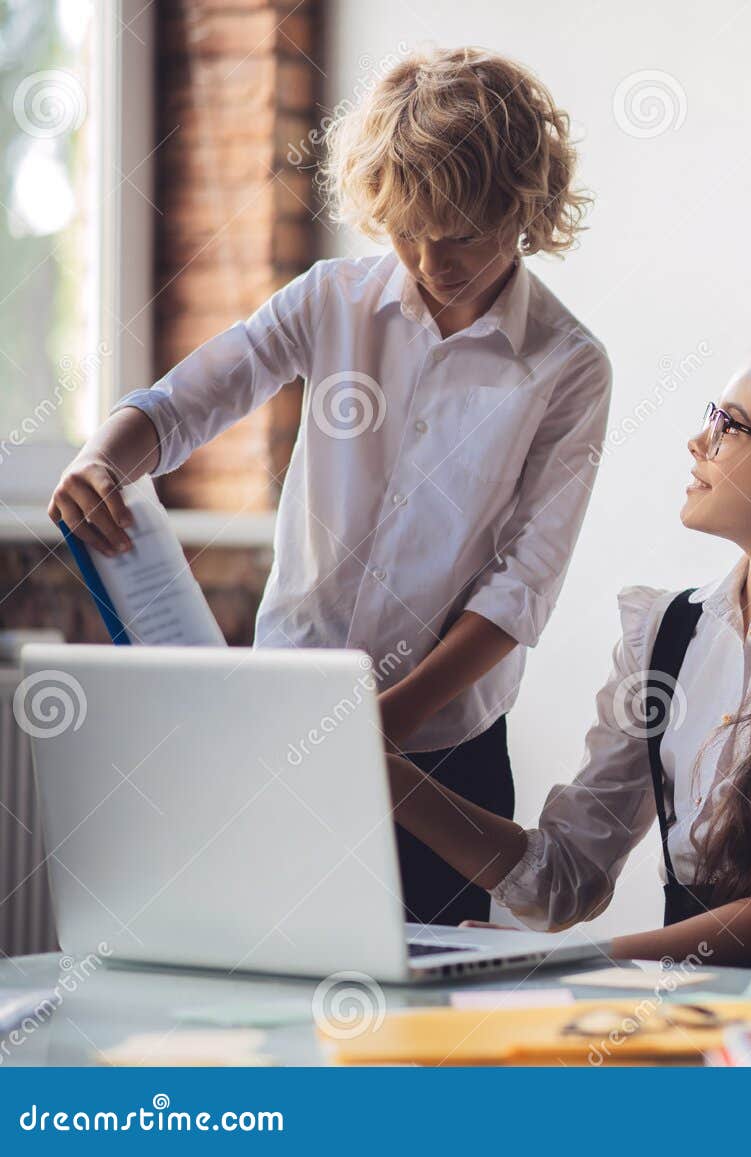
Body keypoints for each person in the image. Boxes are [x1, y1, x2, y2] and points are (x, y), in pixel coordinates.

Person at [47, 47, 610, 927]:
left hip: (445, 753)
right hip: (283, 714)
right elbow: (182, 404)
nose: (431, 259)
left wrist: (375, 727)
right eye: (406, 229)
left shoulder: (568, 366)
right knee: (269, 970)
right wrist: (101, 460)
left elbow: (521, 586)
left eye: (461, 232)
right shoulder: (329, 301)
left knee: (425, 1016)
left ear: (525, 209)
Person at [385, 337, 751, 970]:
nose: (699, 442)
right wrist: (380, 771)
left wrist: (577, 960)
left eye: (730, 426)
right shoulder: (664, 633)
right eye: (712, 415)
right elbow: (563, 881)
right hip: (687, 1009)